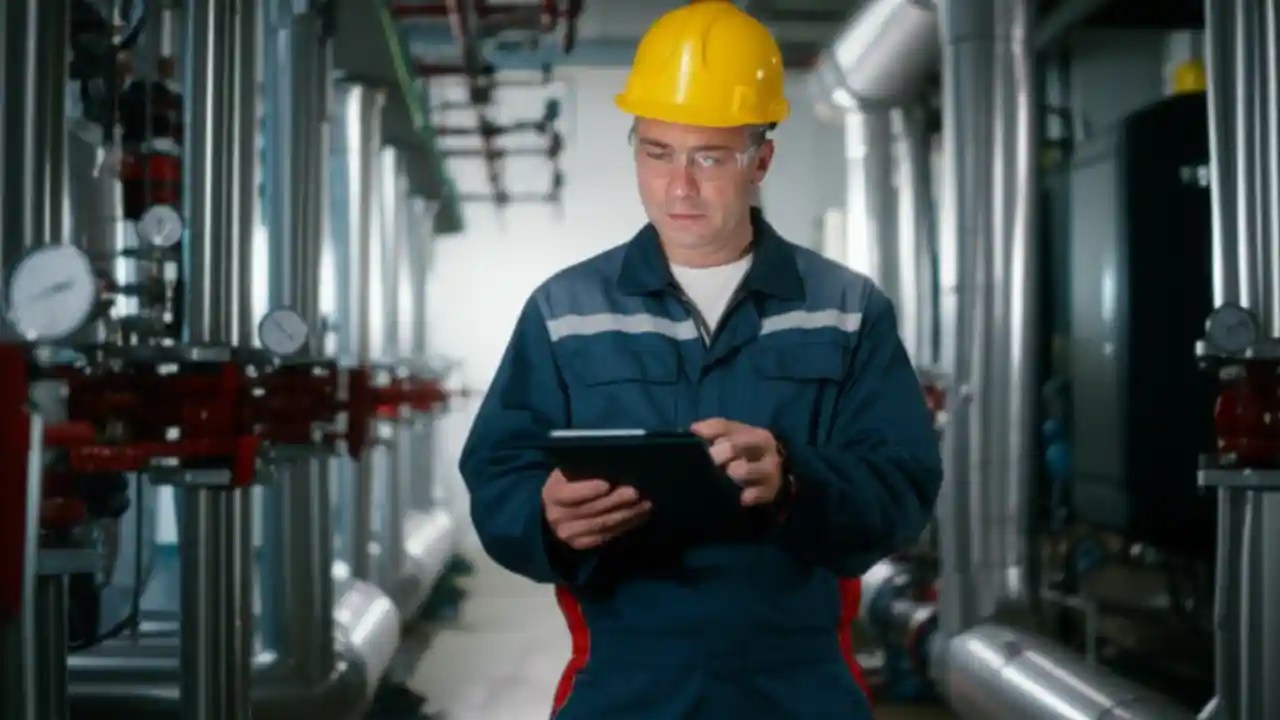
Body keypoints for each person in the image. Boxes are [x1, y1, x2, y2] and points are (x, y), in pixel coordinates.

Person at [457, 2, 942, 717]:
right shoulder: (565, 310)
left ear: (760, 161)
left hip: (798, 687)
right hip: (624, 686)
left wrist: (794, 479)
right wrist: (543, 517)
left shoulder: (845, 310)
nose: (678, 186)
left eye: (709, 156)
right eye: (658, 152)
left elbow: (901, 484)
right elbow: (499, 470)